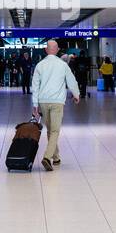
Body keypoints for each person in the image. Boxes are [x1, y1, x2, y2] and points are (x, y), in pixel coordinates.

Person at [31, 39, 80, 172]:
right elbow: (71, 80)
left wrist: (35, 104)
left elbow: (35, 86)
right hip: (57, 102)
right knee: (55, 130)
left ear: (46, 50)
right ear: (57, 50)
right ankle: (47, 157)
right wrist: (76, 94)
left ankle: (56, 157)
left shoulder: (40, 65)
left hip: (43, 101)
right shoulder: (63, 65)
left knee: (50, 130)